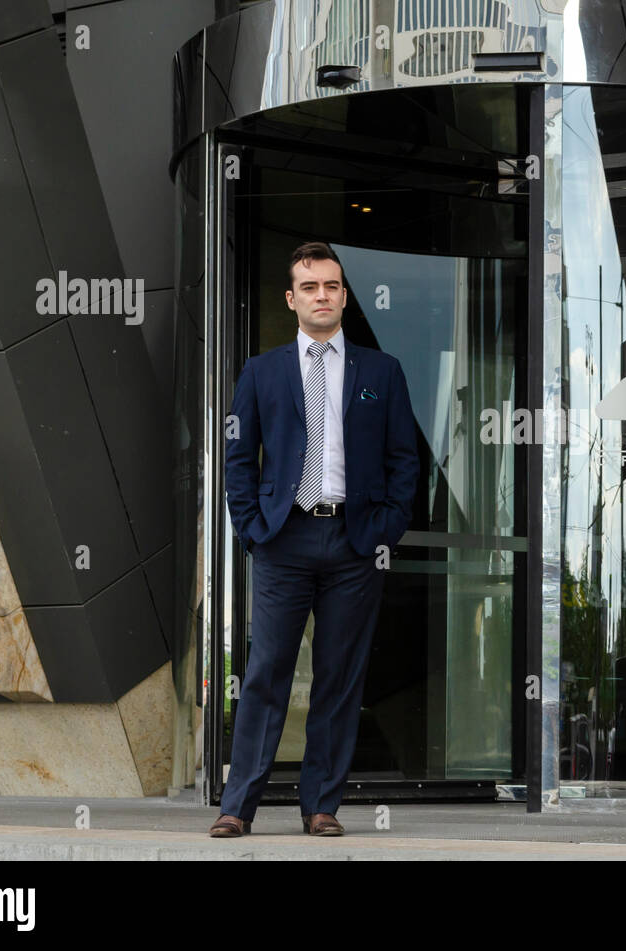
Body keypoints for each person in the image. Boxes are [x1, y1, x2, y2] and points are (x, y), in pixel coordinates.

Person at [209, 241, 418, 837]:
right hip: (284, 539)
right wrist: (253, 529)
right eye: (309, 287)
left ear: (344, 296)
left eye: (330, 286)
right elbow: (238, 458)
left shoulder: (382, 371)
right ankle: (236, 807)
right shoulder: (261, 371)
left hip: (355, 543)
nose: (320, 296)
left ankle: (321, 806)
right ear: (291, 299)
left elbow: (405, 460)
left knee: (339, 678)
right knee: (265, 673)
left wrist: (385, 528)